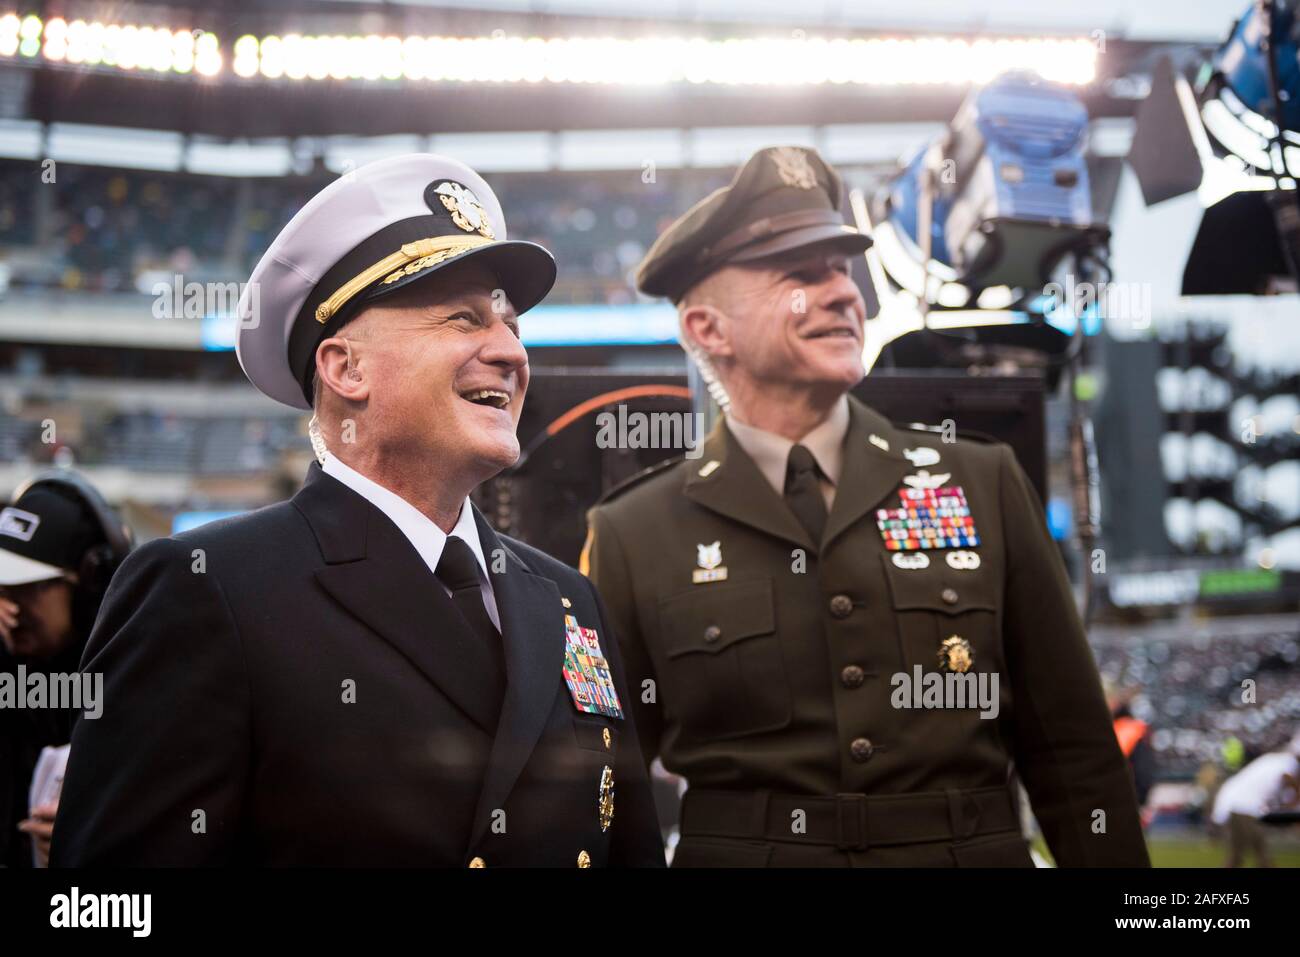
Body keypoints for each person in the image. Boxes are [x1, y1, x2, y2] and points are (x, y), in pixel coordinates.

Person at [51, 154, 663, 867]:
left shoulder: (568, 598)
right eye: (465, 318)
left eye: (513, 325)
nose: (511, 352)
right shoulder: (207, 588)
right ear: (346, 368)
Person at [582, 145, 1149, 867]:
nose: (843, 292)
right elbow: (606, 787)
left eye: (842, 268)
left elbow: (1074, 755)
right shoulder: (634, 532)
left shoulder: (984, 483)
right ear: (707, 329)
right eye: (799, 273)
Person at [0, 471, 131, 867]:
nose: (9, 605)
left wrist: (91, 837)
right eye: (0, 586)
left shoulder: (128, 683)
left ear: (90, 586)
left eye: (29, 587)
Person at [1210, 732, 1300, 868]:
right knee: (1259, 855)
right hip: (1244, 807)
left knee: (1239, 856)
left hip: (1237, 805)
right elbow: (1290, 783)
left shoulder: (1274, 759)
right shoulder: (1288, 762)